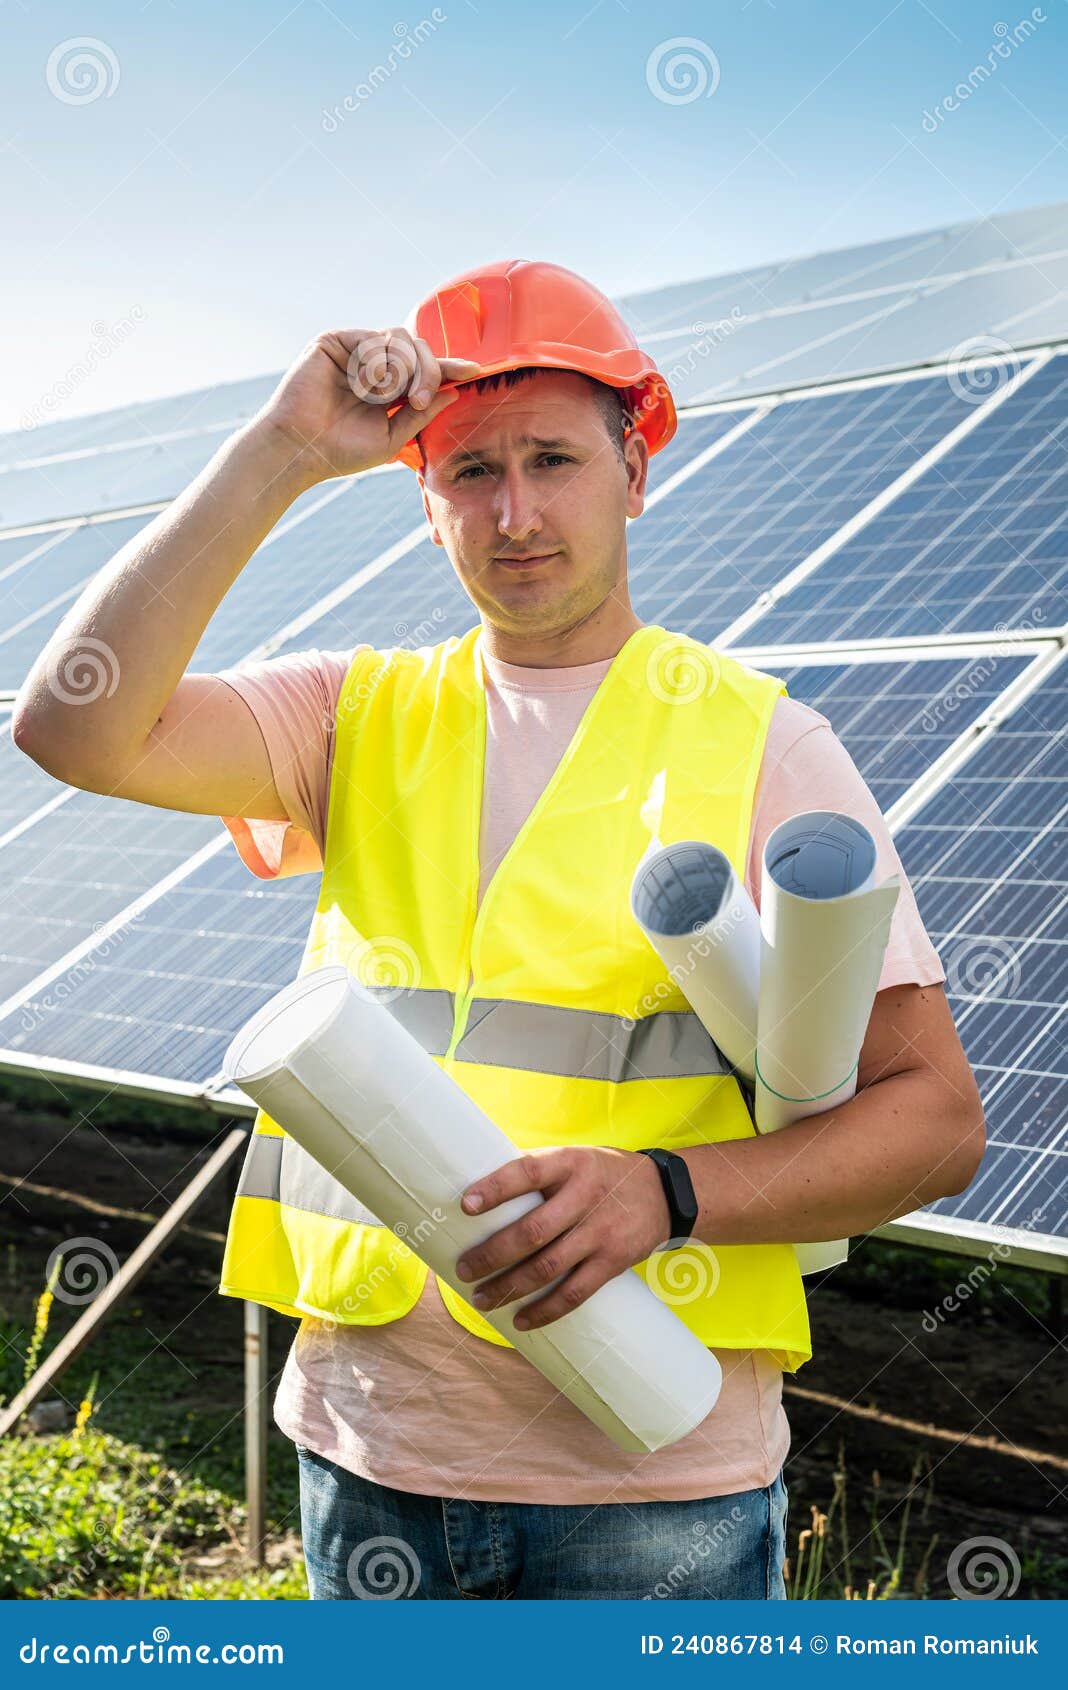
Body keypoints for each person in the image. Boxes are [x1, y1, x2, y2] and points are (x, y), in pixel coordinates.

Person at [11, 260, 985, 1602]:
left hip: (649, 1486)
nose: (515, 512)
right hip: (367, 1461)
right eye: (470, 470)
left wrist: (667, 1190)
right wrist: (284, 447)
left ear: (633, 472)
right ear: (423, 504)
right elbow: (72, 723)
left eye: (553, 459)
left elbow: (936, 1118)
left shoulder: (765, 744)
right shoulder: (356, 715)